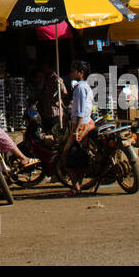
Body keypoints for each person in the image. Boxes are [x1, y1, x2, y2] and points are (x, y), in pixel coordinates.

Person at [58, 60, 95, 193]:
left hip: (80, 125)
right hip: (87, 123)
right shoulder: (85, 87)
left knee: (65, 154)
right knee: (80, 156)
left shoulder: (79, 88)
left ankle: (75, 185)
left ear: (81, 73)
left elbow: (80, 111)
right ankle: (77, 185)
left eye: (74, 70)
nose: (71, 73)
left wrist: (74, 132)